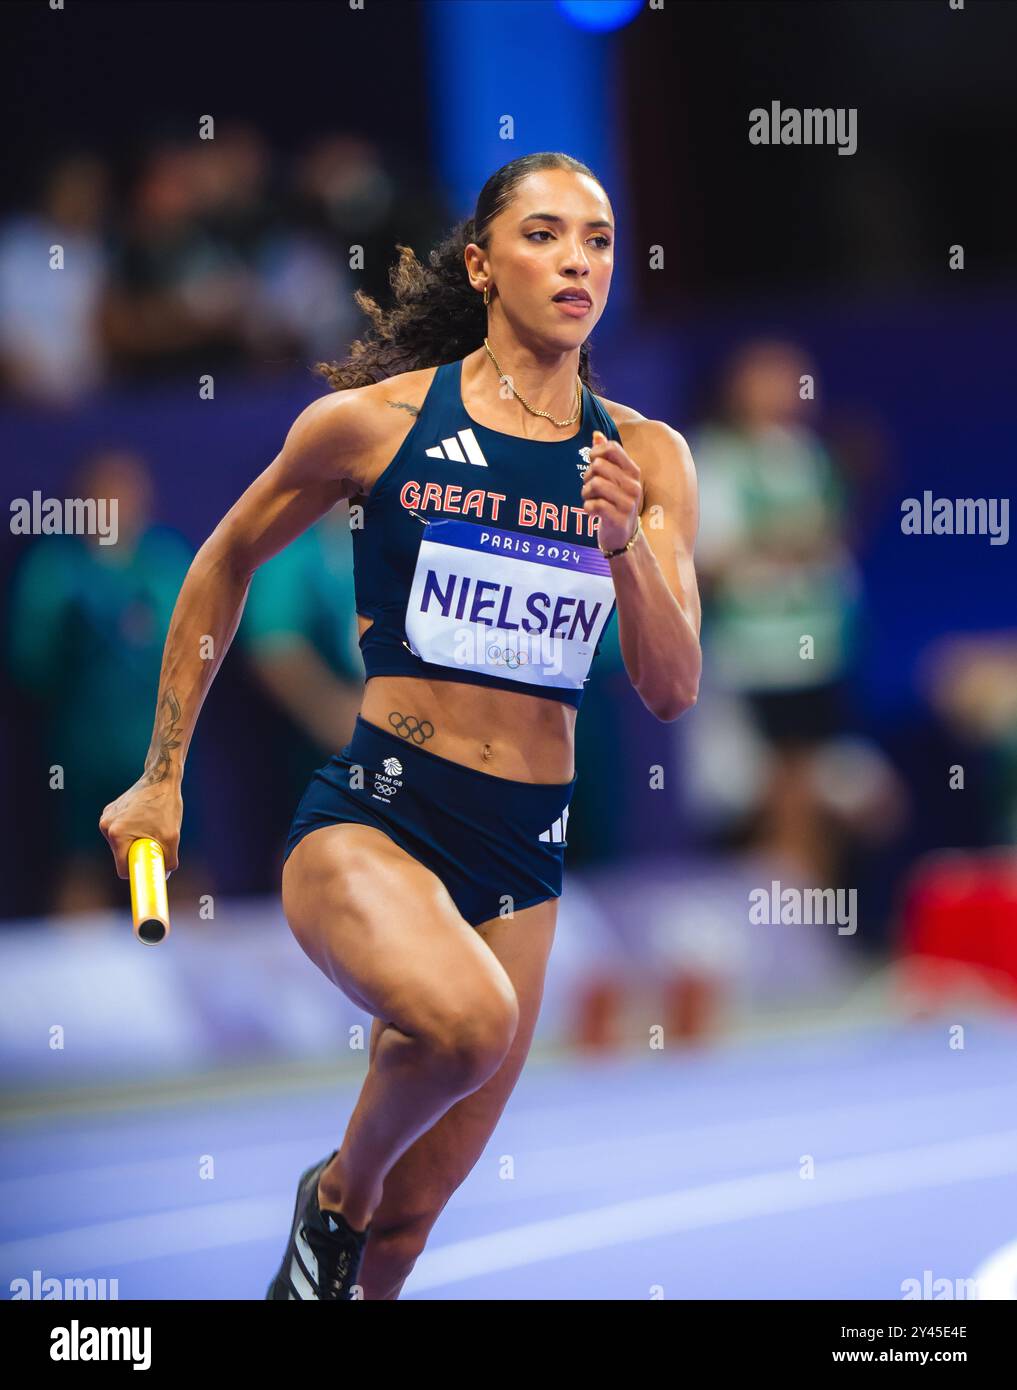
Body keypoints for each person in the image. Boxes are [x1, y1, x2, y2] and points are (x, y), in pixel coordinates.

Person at [99, 151, 702, 1300]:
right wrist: (161, 773)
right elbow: (222, 559)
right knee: (469, 1024)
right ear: (479, 262)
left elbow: (671, 685)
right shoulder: (371, 426)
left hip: (523, 853)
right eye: (542, 235)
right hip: (374, 819)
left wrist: (625, 544)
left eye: (599, 238)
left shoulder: (647, 457)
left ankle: (356, 1226)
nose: (578, 259)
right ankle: (332, 1195)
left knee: (412, 1229)